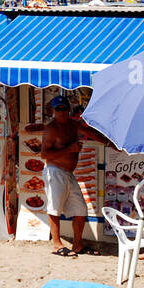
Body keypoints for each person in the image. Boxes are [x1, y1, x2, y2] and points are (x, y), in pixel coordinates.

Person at [41, 96, 93, 257]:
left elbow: (90, 132)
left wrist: (110, 142)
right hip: (55, 171)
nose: (62, 112)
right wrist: (69, 149)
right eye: (59, 109)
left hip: (69, 174)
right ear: (54, 111)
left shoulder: (73, 125)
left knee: (81, 209)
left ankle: (78, 244)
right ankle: (56, 244)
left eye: (64, 109)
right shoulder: (51, 129)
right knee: (54, 208)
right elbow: (44, 154)